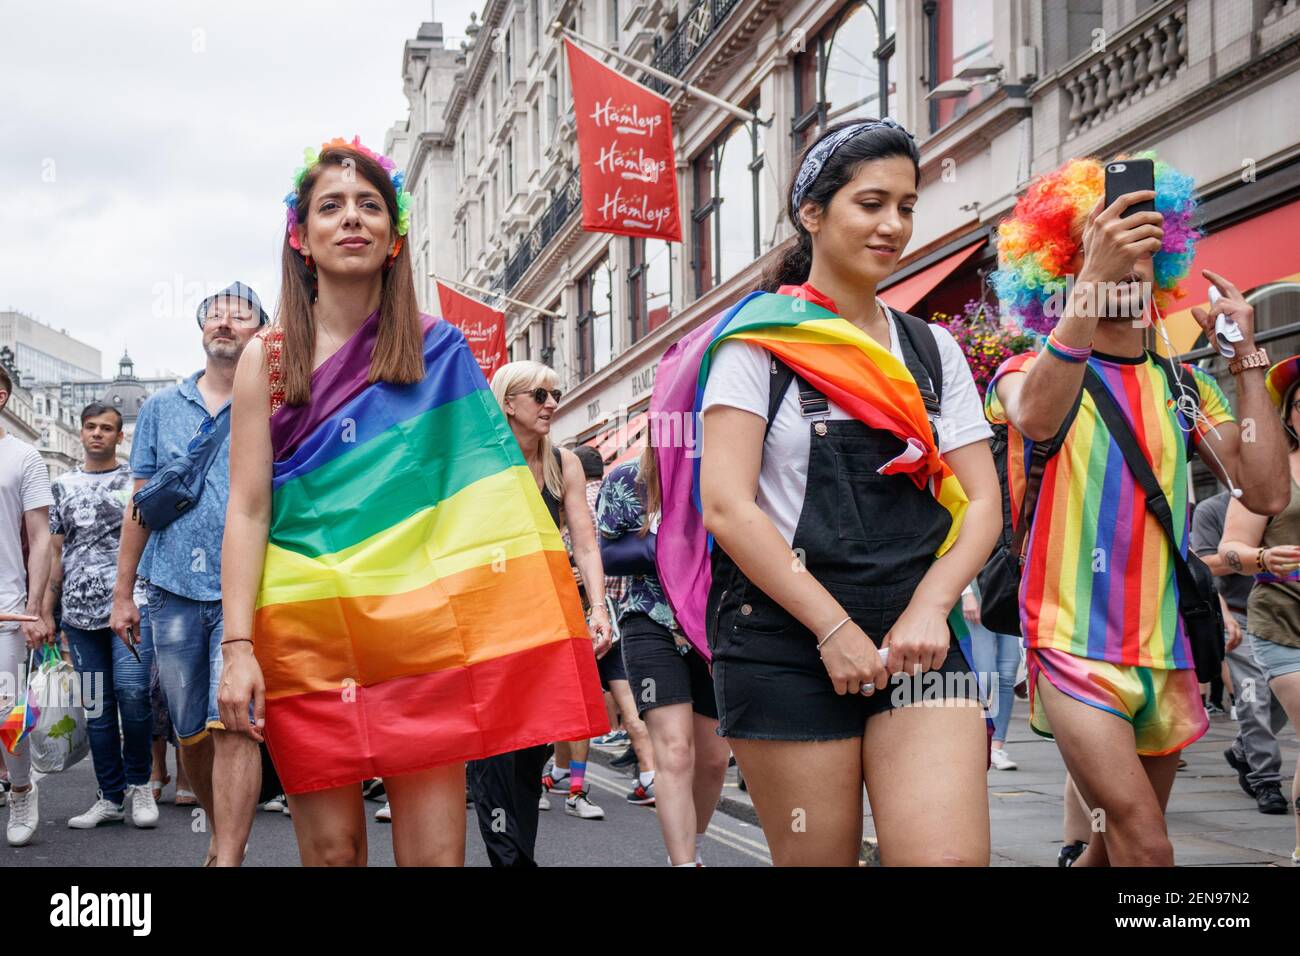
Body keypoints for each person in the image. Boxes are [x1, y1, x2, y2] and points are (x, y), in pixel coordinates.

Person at [218, 138, 606, 868]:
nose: (352, 219)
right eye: (330, 206)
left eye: (371, 205)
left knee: (432, 857)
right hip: (305, 631)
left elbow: (489, 505)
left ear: (396, 237)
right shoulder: (265, 360)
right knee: (332, 856)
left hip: (425, 635)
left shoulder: (441, 351)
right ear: (300, 236)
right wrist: (237, 647)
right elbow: (246, 511)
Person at [692, 119, 1000, 866]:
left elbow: (986, 503)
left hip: (916, 643)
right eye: (871, 203)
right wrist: (833, 630)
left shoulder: (933, 349)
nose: (892, 224)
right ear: (813, 213)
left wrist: (930, 606)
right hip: (781, 640)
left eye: (906, 204)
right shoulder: (755, 343)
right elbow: (726, 506)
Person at [987, 155, 1290, 866]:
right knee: (1148, 849)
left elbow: (1268, 493)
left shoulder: (1183, 382)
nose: (1129, 264)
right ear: (1063, 263)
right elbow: (1034, 420)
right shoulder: (1030, 368)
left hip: (1167, 647)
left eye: (1143, 248)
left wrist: (1244, 356)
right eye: (1104, 243)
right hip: (1070, 644)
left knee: (1106, 850)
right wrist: (1090, 286)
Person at [110, 280, 268, 866]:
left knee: (235, 724)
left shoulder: (277, 400)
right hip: (171, 591)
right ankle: (219, 830)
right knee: (189, 731)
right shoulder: (158, 409)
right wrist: (122, 592)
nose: (225, 324)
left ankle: (229, 855)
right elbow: (140, 503)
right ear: (202, 330)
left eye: (239, 315)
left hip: (246, 593)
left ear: (261, 330)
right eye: (215, 316)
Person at [465, 359, 611, 864]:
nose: (552, 403)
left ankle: (517, 854)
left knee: (534, 749)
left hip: (549, 621)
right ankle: (512, 860)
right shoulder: (478, 460)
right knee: (496, 752)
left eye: (555, 393)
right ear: (508, 403)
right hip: (488, 624)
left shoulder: (564, 463)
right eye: (540, 395)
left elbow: (587, 545)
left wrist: (599, 609)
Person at [599, 444, 728, 863]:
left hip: (712, 625)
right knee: (674, 751)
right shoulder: (627, 478)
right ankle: (684, 861)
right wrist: (667, 545)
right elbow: (605, 553)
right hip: (649, 620)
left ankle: (694, 841)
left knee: (712, 761)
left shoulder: (727, 467)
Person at [46, 402, 158, 829]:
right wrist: (47, 610)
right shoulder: (62, 486)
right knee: (97, 707)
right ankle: (109, 797)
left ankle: (141, 784)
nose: (97, 434)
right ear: (80, 432)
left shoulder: (134, 481)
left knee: (133, 696)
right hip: (79, 614)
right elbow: (55, 551)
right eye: (90, 426)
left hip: (130, 608)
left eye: (106, 428)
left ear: (119, 436)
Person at [1219, 353, 1300, 865]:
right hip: (1283, 622)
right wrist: (1263, 555)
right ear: (1288, 413)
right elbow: (1229, 550)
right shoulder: (1268, 471)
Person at [1192, 487, 1290, 814]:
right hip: (1238, 615)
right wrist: (1253, 554)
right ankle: (1266, 779)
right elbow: (1204, 562)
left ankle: (1242, 750)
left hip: (1285, 615)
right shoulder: (1211, 509)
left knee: (1284, 699)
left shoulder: (1285, 496)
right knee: (1252, 697)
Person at [0, 362, 54, 847]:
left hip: (7, 605)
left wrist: (36, 607)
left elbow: (41, 539)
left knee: (5, 712)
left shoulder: (24, 457)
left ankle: (20, 786)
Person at [962, 580, 1021, 770]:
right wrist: (966, 594)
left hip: (1012, 594)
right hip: (979, 592)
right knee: (985, 674)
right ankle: (978, 741)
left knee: (1007, 675)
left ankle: (997, 746)